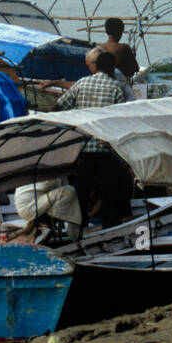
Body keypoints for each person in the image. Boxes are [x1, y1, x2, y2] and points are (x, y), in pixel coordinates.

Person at [54, 51, 131, 225]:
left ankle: (79, 226)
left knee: (82, 191)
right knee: (108, 191)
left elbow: (59, 106)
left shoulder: (82, 83)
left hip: (82, 149)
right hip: (104, 149)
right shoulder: (115, 88)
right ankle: (109, 226)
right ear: (112, 69)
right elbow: (119, 121)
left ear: (96, 67)